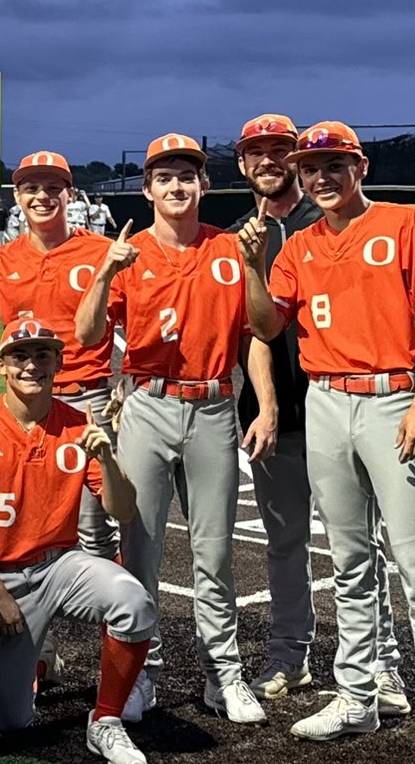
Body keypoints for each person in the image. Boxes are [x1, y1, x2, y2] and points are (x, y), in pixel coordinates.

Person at [241, 120, 415, 764]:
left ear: (360, 166)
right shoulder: (299, 244)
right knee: (347, 557)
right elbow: (265, 323)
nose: (322, 178)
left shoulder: (405, 221)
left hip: (392, 395)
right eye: (312, 169)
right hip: (325, 399)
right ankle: (358, 693)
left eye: (334, 165)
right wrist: (256, 265)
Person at [76, 134, 271, 726]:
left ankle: (223, 675)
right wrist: (106, 274)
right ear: (148, 188)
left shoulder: (229, 248)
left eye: (187, 175)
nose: (177, 186)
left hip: (212, 404)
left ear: (204, 185)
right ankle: (140, 674)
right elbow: (86, 335)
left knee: (213, 552)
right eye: (165, 177)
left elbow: (263, 327)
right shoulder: (129, 251)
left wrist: (257, 265)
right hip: (147, 403)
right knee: (139, 549)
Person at [0, 320, 158, 764]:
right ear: (2, 365)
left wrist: (107, 458)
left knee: (134, 602)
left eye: (43, 355)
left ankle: (106, 719)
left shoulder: (78, 424)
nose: (32, 365)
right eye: (21, 356)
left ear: (59, 363)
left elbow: (125, 511)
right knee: (10, 720)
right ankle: (8, 675)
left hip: (60, 565)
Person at [225, 115, 399, 703]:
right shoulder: (235, 237)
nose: (269, 161)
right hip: (274, 418)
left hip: (344, 405)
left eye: (281, 151)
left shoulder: (326, 218)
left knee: (360, 541)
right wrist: (264, 405)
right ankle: (290, 655)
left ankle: (380, 662)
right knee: (284, 542)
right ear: (243, 164)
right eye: (257, 152)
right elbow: (253, 331)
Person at [0, 150, 117, 555]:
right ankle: (24, 613)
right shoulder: (1, 260)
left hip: (86, 394)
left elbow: (138, 319)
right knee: (16, 520)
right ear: (17, 197)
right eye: (31, 188)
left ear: (70, 194)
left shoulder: (99, 251)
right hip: (23, 403)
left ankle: (106, 616)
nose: (42, 196)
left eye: (53, 187)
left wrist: (131, 386)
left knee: (96, 527)